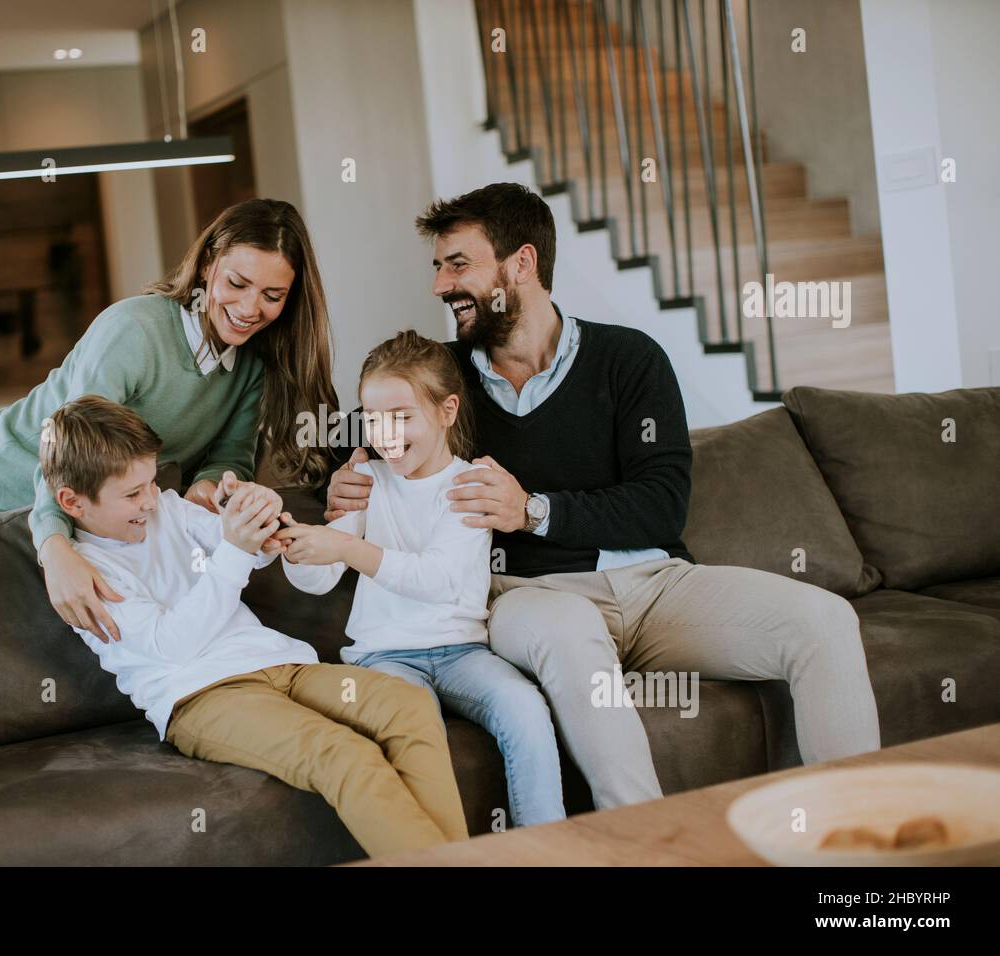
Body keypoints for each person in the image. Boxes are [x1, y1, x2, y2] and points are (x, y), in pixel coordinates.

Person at [326, 183, 881, 811]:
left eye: (459, 264)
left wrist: (533, 510)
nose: (441, 286)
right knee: (568, 632)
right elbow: (362, 433)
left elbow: (661, 504)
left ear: (523, 264)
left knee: (825, 621)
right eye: (439, 267)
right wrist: (339, 483)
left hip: (655, 585)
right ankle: (648, 847)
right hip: (527, 598)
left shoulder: (629, 359)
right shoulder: (442, 378)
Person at [41, 395, 469, 858]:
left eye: (150, 483)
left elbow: (254, 550)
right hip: (202, 696)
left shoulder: (168, 507)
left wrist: (252, 512)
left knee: (408, 705)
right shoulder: (81, 577)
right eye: (131, 494)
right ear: (72, 502)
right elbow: (172, 645)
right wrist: (236, 549)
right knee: (344, 755)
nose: (150, 500)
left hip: (280, 664)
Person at [0, 198, 338, 644]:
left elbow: (231, 454)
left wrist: (209, 487)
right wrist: (53, 546)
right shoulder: (134, 331)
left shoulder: (251, 364)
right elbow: (68, 448)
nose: (250, 308)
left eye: (272, 296)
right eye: (237, 282)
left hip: (80, 517)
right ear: (208, 263)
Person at [278, 330, 565, 827]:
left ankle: (543, 850)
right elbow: (320, 579)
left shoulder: (472, 485)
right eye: (373, 420)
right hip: (383, 655)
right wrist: (294, 549)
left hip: (463, 652)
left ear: (447, 411)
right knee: (414, 725)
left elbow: (438, 579)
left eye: (402, 417)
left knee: (524, 706)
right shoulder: (366, 478)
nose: (385, 434)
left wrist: (346, 547)